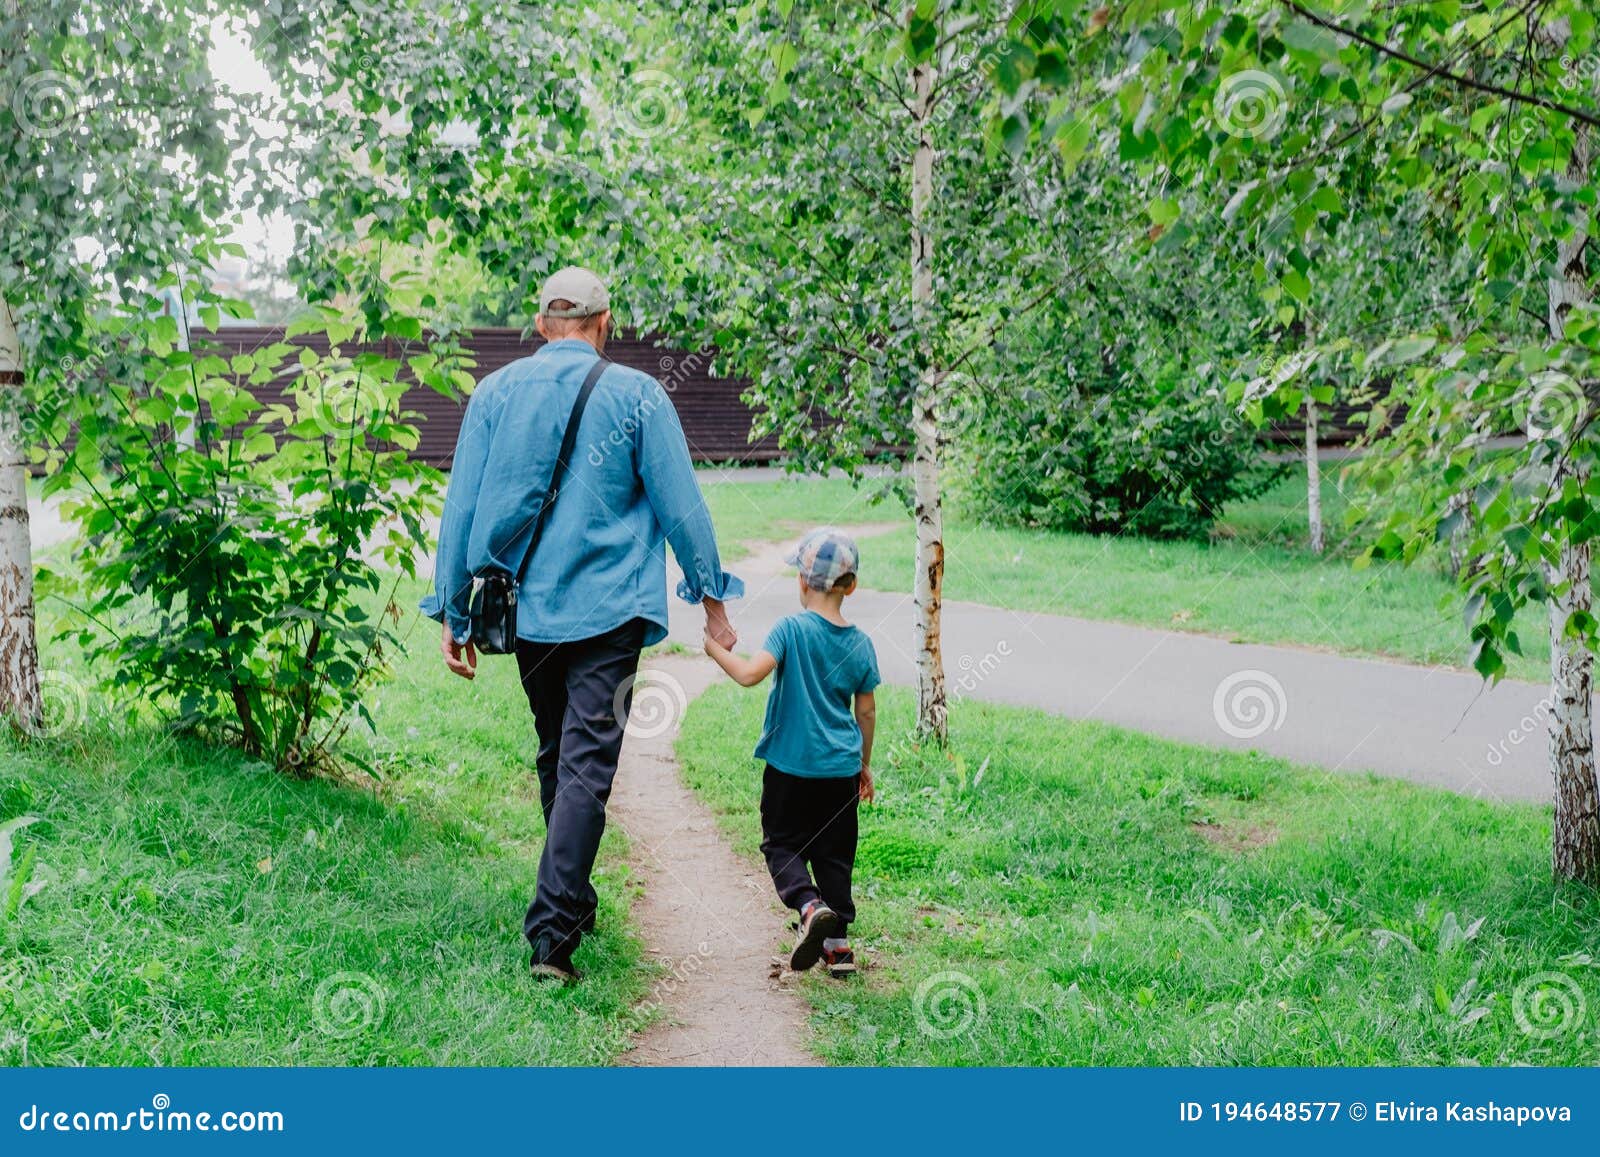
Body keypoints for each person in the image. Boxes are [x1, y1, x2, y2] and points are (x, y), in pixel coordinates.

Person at [422, 266, 742, 983]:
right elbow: (681, 505)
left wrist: (452, 608)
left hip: (527, 610)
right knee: (584, 762)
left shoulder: (495, 394)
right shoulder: (636, 396)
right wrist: (713, 601)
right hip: (608, 612)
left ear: (541, 325)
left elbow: (462, 506)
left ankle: (569, 899)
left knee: (556, 750)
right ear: (605, 324)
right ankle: (553, 936)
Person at [702, 527, 878, 978]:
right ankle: (838, 950)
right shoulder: (861, 643)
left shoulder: (790, 630)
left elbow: (748, 675)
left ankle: (808, 904)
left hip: (789, 770)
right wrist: (863, 765)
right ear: (851, 586)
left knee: (781, 844)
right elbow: (867, 711)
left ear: (802, 582)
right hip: (840, 770)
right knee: (835, 855)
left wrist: (712, 649)